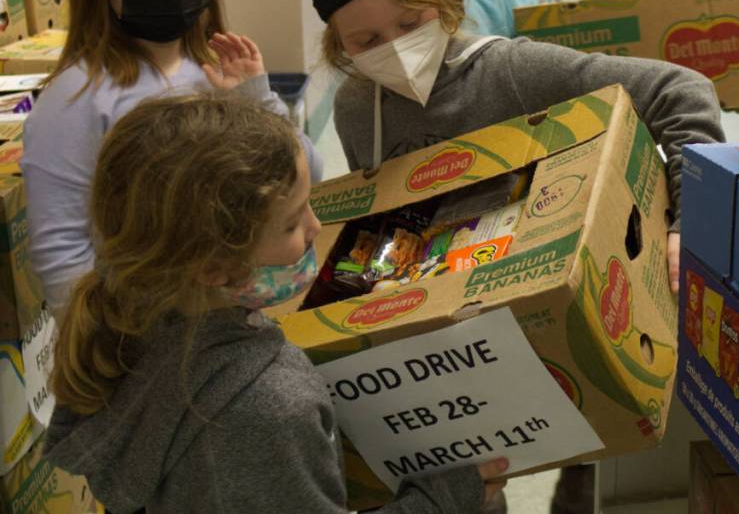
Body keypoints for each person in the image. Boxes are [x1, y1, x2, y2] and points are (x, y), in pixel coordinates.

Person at [306, 0, 725, 514]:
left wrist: (691, 227)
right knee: (475, 488)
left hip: (550, 308)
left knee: (584, 458)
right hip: (448, 343)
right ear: (339, 48)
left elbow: (682, 92)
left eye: (409, 22)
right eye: (367, 42)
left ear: (442, 3)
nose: (394, 49)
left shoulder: (507, 72)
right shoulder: (356, 108)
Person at [43, 93, 509, 513]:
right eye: (289, 225)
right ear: (213, 269)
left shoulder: (130, 309)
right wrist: (443, 498)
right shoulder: (267, 406)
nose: (314, 226)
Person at [21, 0, 323, 319]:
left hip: (229, 314)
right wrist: (105, 352)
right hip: (141, 335)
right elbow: (62, 250)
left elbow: (306, 175)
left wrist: (257, 98)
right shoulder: (75, 99)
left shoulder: (215, 68)